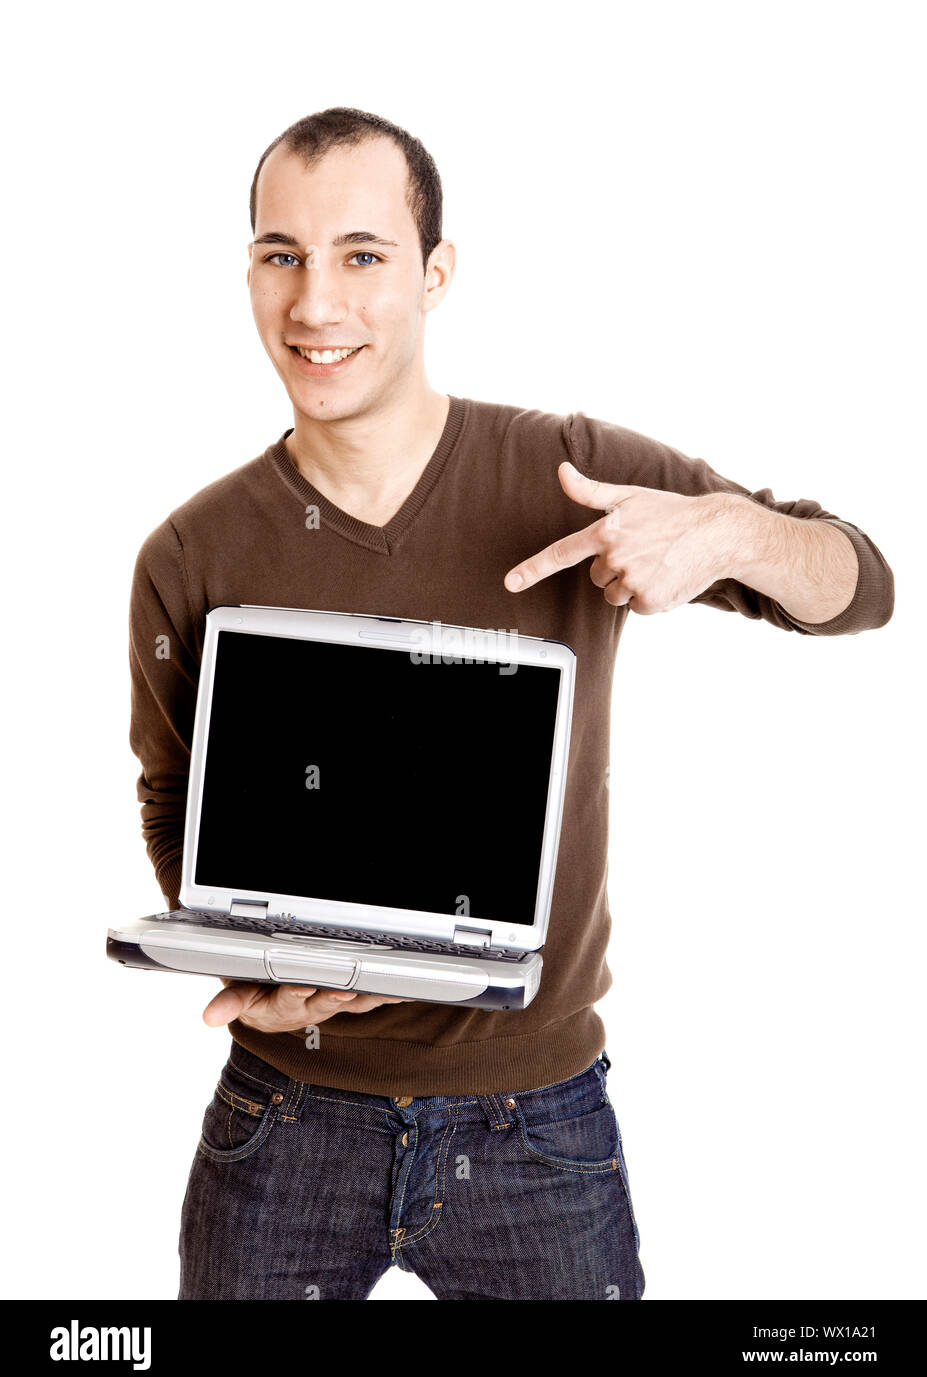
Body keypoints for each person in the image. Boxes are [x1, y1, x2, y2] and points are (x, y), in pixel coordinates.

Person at [127, 107, 894, 1301]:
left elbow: (862, 586)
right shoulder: (189, 551)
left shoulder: (571, 472)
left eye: (362, 256)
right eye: (283, 255)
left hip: (537, 1123)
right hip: (282, 1116)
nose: (316, 305)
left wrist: (728, 532)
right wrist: (269, 957)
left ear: (436, 275)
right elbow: (174, 801)